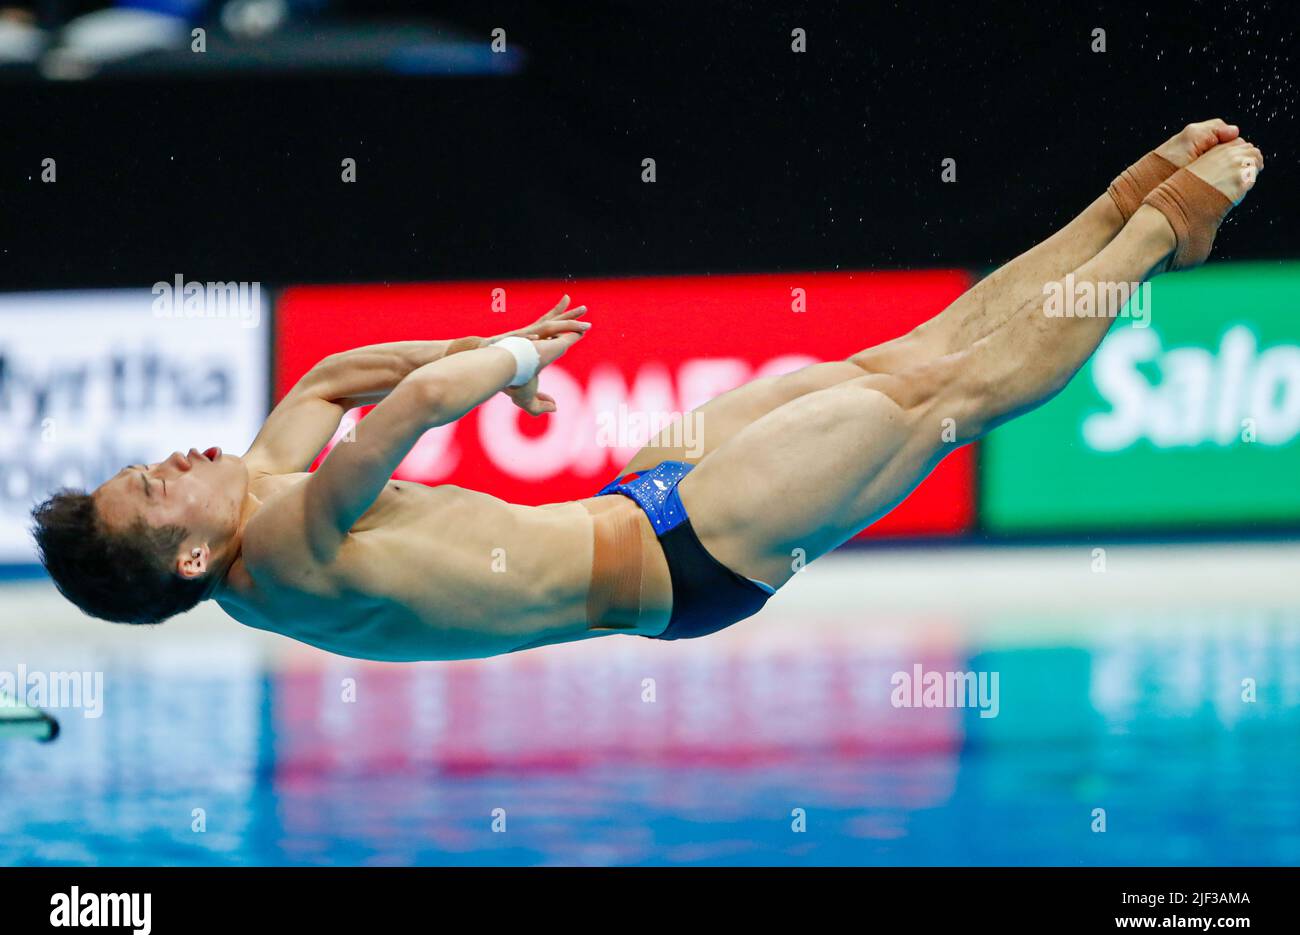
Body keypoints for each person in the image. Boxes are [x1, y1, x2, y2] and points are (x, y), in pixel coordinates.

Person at [33, 121, 1263, 661]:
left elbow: (331, 375)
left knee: (906, 354)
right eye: (156, 489)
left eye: (150, 463)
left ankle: (1108, 211)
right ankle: (1158, 234)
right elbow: (397, 418)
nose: (177, 459)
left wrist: (492, 335)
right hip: (690, 563)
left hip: (640, 491)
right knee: (951, 398)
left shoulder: (249, 491)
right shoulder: (280, 562)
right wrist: (513, 363)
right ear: (191, 562)